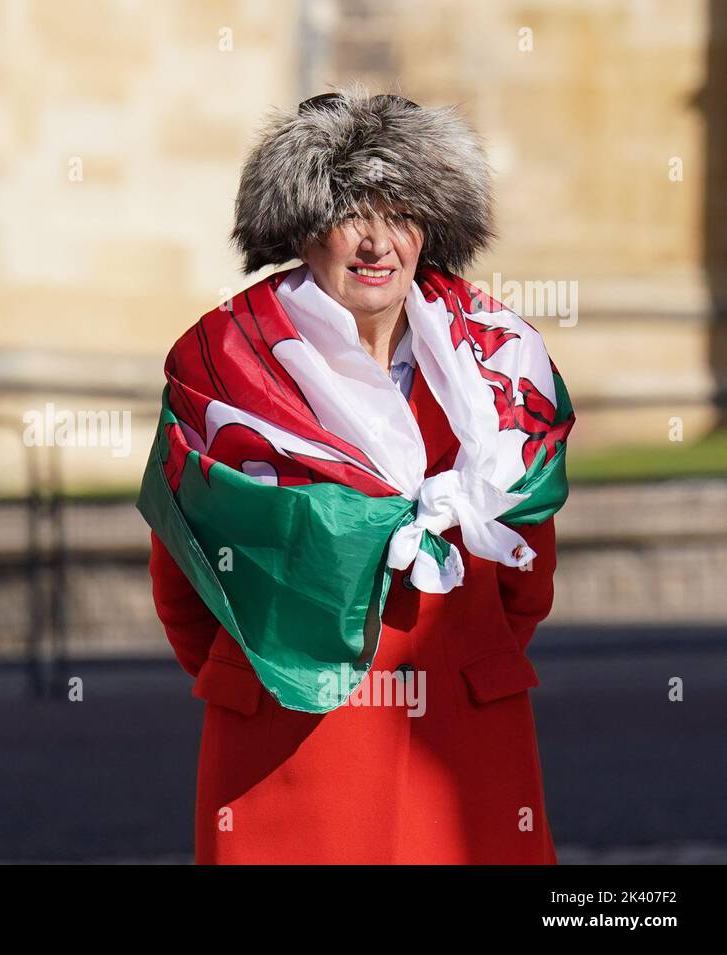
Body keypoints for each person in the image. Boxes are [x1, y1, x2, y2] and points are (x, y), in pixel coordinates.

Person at [137, 87, 575, 864]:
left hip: (465, 736)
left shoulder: (500, 365)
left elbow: (525, 574)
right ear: (305, 230)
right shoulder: (223, 369)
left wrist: (461, 655)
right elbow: (187, 581)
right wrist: (281, 666)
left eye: (400, 213)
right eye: (350, 214)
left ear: (430, 229)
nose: (377, 243)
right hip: (286, 739)